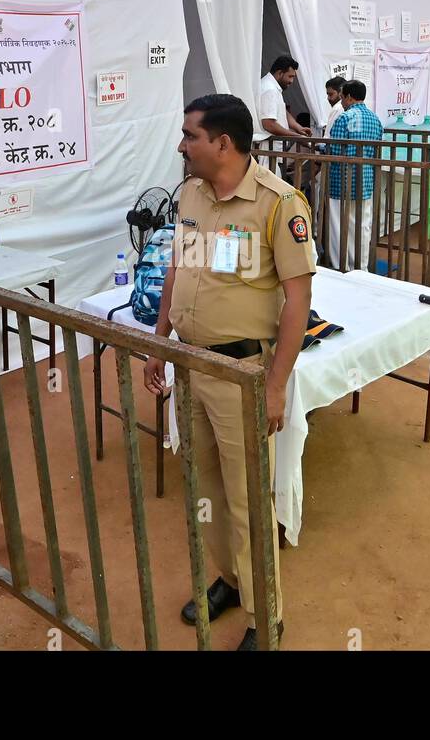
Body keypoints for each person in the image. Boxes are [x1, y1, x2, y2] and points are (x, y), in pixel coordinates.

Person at [144, 93, 314, 651]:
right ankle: (232, 580)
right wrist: (159, 341)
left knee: (247, 498)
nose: (181, 145)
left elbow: (297, 301)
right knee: (207, 487)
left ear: (223, 142)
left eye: (190, 135)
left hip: (241, 372)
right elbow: (179, 267)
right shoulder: (192, 192)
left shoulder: (277, 203)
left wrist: (275, 385)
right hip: (192, 364)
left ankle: (267, 617)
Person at [324, 80, 382, 271]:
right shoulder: (375, 120)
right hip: (365, 180)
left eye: (342, 98)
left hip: (341, 180)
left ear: (348, 97)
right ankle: (361, 266)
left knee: (339, 225)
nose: (342, 102)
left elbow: (333, 150)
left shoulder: (344, 118)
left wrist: (320, 148)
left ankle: (340, 266)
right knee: (363, 226)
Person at [257, 55, 311, 140]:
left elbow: (282, 111)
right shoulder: (270, 90)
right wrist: (297, 137)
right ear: (280, 73)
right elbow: (268, 124)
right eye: (290, 76)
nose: (291, 81)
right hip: (271, 149)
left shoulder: (271, 86)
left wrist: (298, 128)